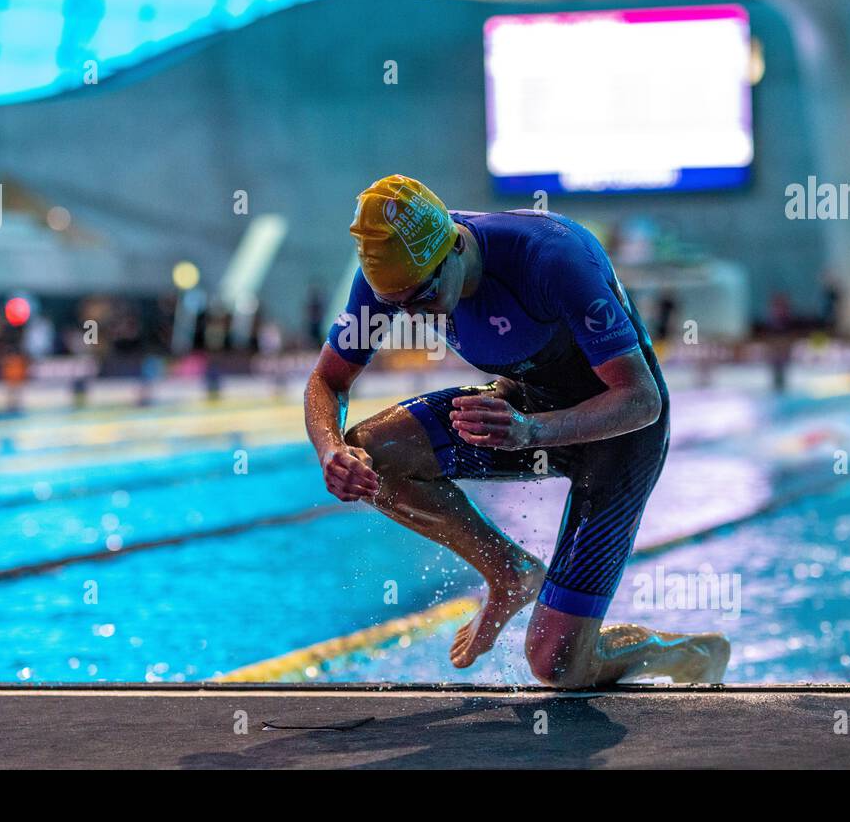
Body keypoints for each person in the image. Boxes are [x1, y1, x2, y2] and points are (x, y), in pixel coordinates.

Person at [304, 175, 729, 687]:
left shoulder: (553, 258)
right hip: (523, 415)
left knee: (557, 666)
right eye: (400, 305)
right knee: (371, 454)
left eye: (422, 296)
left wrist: (530, 432)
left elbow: (642, 399)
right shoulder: (389, 283)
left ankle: (681, 654)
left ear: (455, 246)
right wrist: (330, 448)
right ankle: (507, 569)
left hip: (618, 439)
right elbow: (328, 380)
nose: (412, 313)